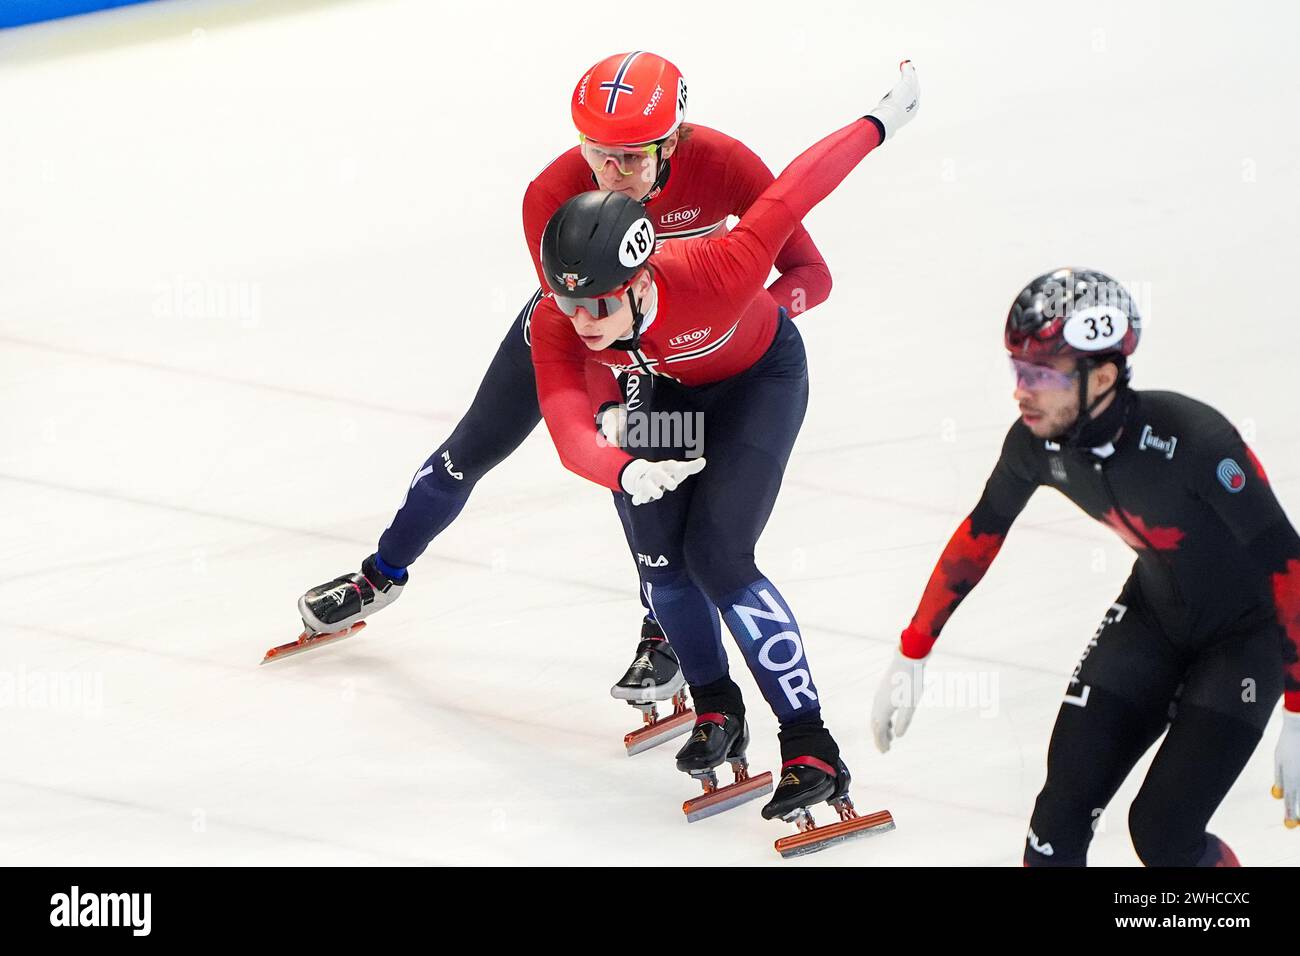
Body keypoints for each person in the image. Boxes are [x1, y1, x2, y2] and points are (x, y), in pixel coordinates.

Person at [295, 52, 832, 710]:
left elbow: (813, 276)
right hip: (581, 338)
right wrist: (611, 406)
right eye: (598, 153)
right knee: (468, 454)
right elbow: (574, 321)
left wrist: (726, 319)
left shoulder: (725, 164)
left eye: (632, 155)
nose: (612, 172)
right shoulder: (551, 192)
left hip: (676, 347)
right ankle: (381, 573)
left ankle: (661, 636)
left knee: (646, 484)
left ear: (675, 142)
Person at [529, 63, 920, 820]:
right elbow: (567, 424)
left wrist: (878, 121)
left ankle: (811, 747)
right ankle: (717, 709)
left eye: (596, 306)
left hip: (755, 388)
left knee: (718, 556)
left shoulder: (720, 268)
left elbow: (796, 190)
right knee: (658, 559)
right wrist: (621, 466)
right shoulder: (559, 317)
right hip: (662, 400)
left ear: (640, 283)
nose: (580, 322)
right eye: (567, 303)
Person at [871, 268, 1300, 865]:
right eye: (1018, 370)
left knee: (1162, 833)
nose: (1022, 391)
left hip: (1246, 641)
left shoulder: (1196, 440)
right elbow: (981, 531)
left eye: (1041, 375)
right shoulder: (1034, 443)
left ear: (1100, 377)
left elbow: (1289, 566)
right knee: (1056, 821)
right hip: (1154, 617)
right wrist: (914, 647)